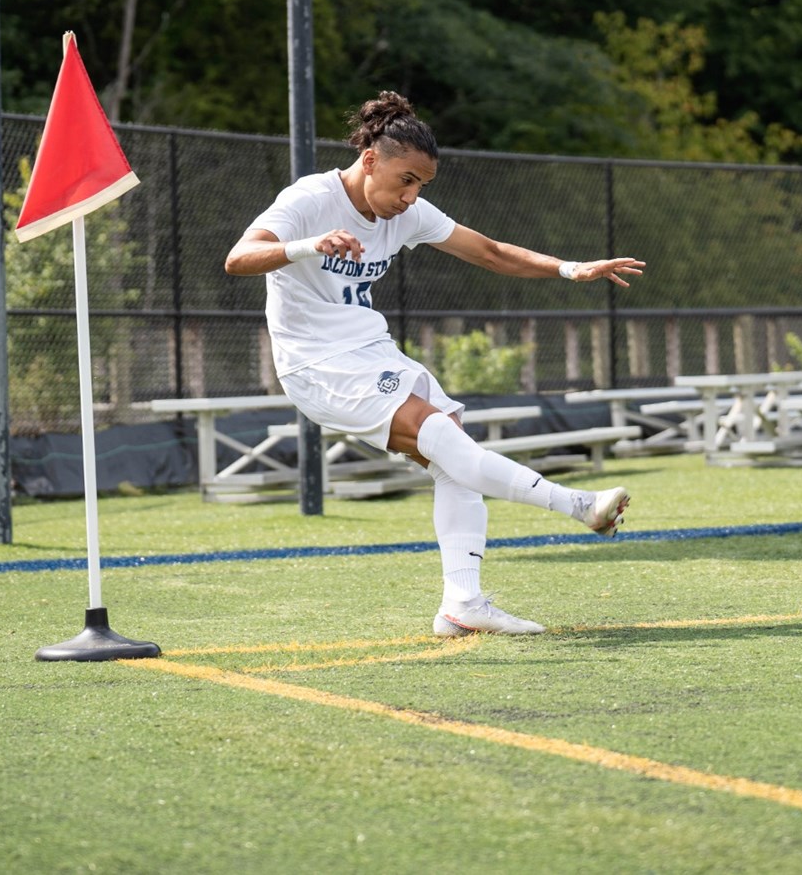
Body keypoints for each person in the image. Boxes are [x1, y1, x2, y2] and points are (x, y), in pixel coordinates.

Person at [225, 91, 647, 636]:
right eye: (406, 180)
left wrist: (570, 270)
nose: (412, 196)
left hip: (370, 349)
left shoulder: (409, 213)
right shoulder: (310, 198)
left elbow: (490, 251)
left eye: (422, 185)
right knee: (446, 443)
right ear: (371, 160)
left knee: (451, 455)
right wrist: (308, 246)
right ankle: (578, 505)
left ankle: (462, 605)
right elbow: (239, 258)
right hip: (317, 363)